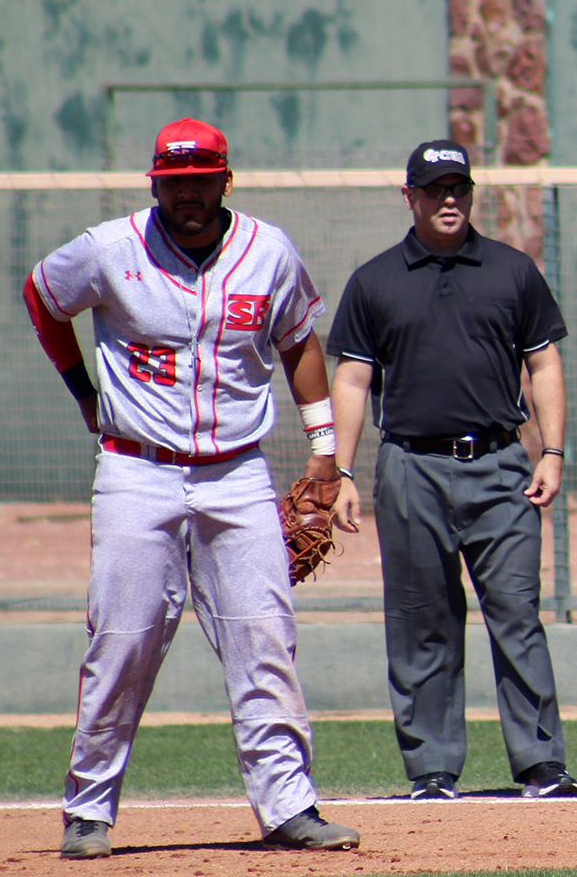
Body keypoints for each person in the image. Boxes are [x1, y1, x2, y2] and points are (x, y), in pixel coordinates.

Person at [23, 117, 361, 859]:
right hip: (136, 470)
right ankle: (87, 810)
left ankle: (289, 807)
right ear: (155, 185)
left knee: (264, 638)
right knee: (121, 641)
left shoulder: (268, 251)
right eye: (174, 182)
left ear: (225, 181)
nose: (187, 194)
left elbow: (299, 342)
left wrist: (324, 454)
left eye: (200, 180)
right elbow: (42, 295)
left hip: (236, 472)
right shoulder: (111, 249)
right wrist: (82, 389)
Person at [326, 140, 577, 802]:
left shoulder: (512, 271)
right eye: (435, 189)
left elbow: (544, 364)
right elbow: (351, 379)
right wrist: (340, 472)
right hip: (411, 467)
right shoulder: (375, 280)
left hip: (500, 465)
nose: (448, 200)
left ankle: (541, 764)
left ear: (471, 194)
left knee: (516, 613)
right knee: (422, 620)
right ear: (409, 197)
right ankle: (432, 769)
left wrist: (552, 451)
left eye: (458, 188)